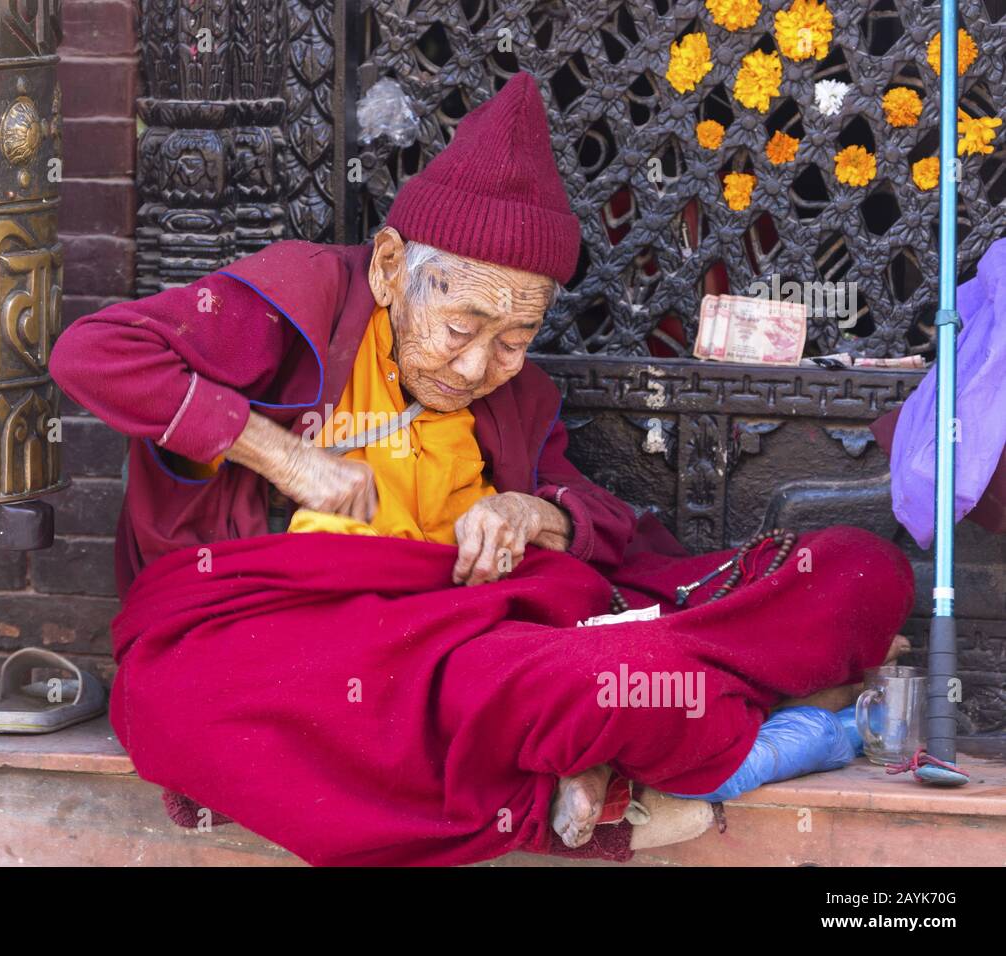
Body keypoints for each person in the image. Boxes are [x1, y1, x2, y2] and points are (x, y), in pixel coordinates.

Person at [50, 72, 914, 866]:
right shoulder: (300, 301)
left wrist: (531, 516)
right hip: (291, 638)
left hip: (473, 636)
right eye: (461, 327)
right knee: (178, 700)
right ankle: (627, 762)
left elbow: (604, 531)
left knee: (852, 569)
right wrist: (283, 456)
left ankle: (611, 754)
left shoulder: (517, 396)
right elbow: (95, 353)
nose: (474, 369)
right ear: (392, 268)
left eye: (514, 339)